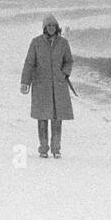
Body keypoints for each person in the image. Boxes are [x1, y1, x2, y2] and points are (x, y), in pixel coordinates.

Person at [20, 14, 73, 158]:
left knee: (57, 118)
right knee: (42, 118)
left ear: (57, 27)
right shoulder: (36, 42)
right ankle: (43, 149)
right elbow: (29, 63)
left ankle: (56, 149)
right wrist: (25, 82)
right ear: (44, 28)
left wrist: (64, 74)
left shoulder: (63, 43)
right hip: (41, 85)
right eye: (48, 26)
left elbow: (69, 61)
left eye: (53, 26)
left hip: (58, 85)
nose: (51, 28)